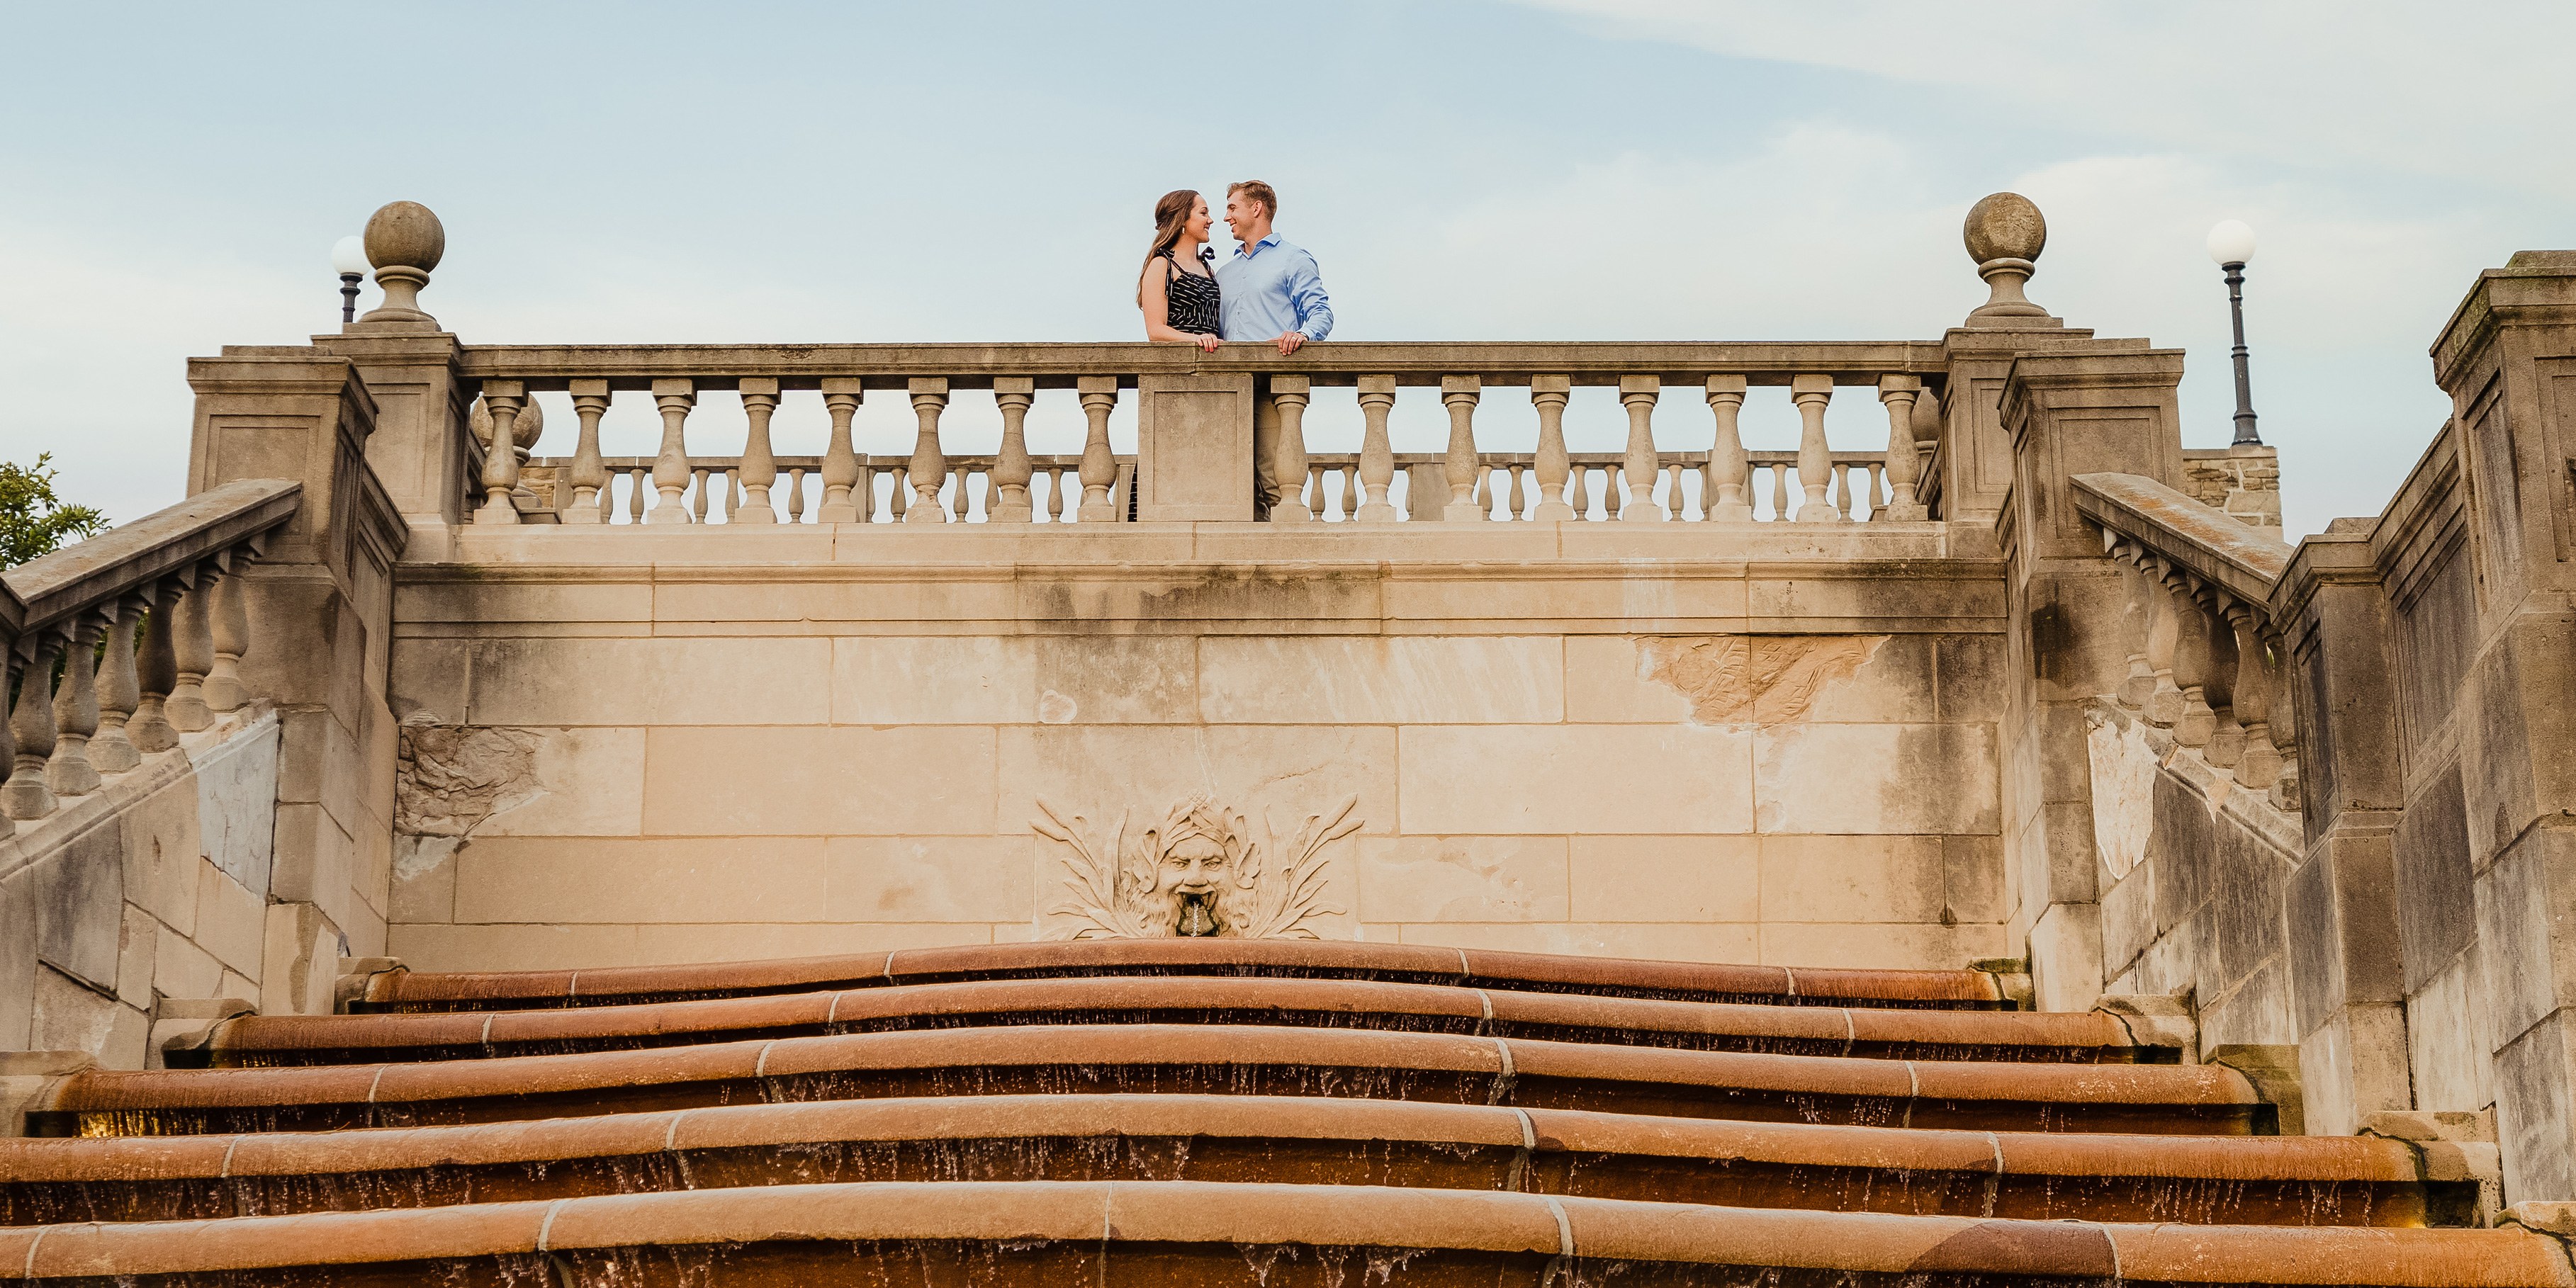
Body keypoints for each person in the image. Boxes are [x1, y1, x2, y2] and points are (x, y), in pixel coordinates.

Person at [1215, 180, 1332, 354]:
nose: (1226, 217)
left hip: (1276, 373)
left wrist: (1302, 335)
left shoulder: (1294, 259)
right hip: (1229, 378)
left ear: (1256, 208)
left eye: (1233, 208)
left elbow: (1321, 312)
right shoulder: (1223, 274)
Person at [1137, 190, 1222, 352]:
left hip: (1212, 362)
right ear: (1182, 218)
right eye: (1203, 213)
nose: (1210, 220)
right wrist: (1198, 339)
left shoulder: (1207, 269)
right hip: (1180, 365)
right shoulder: (1162, 265)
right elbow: (1155, 331)